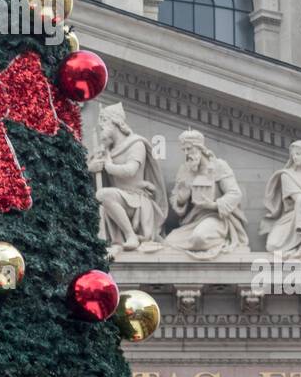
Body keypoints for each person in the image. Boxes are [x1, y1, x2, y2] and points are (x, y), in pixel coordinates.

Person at [87, 102, 167, 257]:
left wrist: (107, 166)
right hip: (118, 200)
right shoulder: (107, 150)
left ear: (114, 124)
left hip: (136, 199)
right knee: (102, 196)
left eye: (103, 126)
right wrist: (92, 167)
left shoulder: (136, 144)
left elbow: (131, 170)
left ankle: (131, 235)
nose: (101, 131)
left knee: (103, 194)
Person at [163, 130, 249, 259]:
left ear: (199, 148)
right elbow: (176, 201)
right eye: (184, 150)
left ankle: (224, 239)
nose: (186, 154)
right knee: (168, 242)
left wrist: (213, 205)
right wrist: (182, 197)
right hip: (192, 221)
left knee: (200, 237)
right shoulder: (185, 170)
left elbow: (235, 193)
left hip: (216, 218)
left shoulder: (218, 166)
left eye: (189, 149)